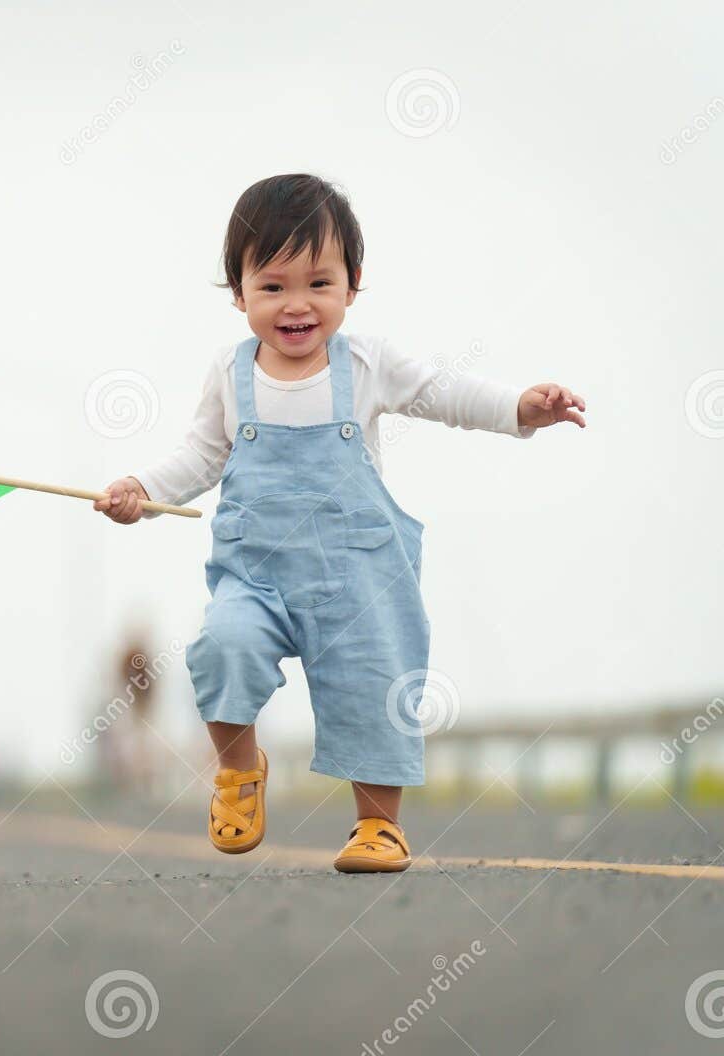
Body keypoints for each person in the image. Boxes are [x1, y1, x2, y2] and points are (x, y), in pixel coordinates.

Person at [95, 174, 585, 873]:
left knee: (373, 686)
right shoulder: (231, 373)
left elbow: (444, 393)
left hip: (358, 574)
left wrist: (519, 407)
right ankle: (238, 770)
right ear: (238, 293)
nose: (296, 304)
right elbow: (201, 455)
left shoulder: (366, 363)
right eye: (272, 286)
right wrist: (142, 489)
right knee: (222, 646)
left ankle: (378, 825)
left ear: (352, 285)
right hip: (256, 574)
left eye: (318, 283)